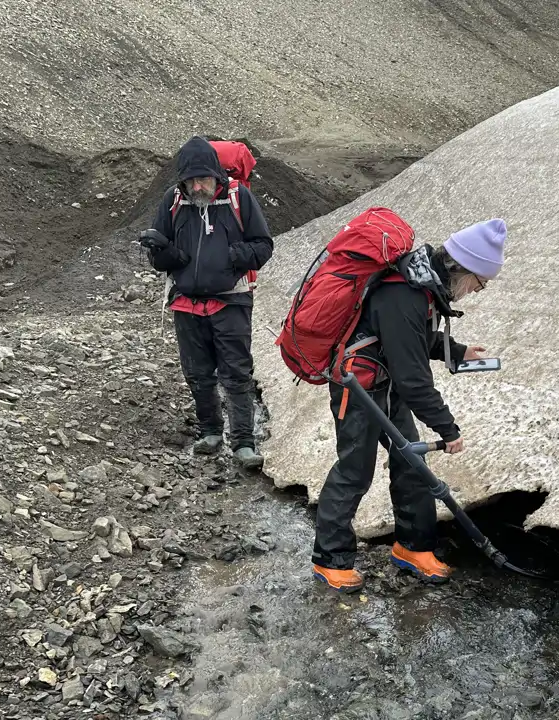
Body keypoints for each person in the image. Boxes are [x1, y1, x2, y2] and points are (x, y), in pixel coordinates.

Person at [310, 219, 507, 593]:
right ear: (461, 267)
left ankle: (413, 548)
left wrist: (457, 350)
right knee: (354, 472)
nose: (475, 291)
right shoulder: (406, 293)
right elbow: (412, 379)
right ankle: (329, 560)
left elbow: (409, 338)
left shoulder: (421, 286)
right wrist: (447, 428)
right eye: (479, 282)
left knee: (411, 465)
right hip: (360, 389)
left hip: (382, 384)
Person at [141, 136, 274, 470]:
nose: (197, 186)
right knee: (198, 373)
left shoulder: (238, 197)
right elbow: (161, 259)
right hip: (186, 303)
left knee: (236, 374)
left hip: (231, 301)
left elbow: (263, 246)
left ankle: (243, 442)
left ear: (216, 174)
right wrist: (164, 252)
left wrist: (230, 258)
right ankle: (211, 432)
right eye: (191, 180)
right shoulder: (173, 201)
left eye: (203, 179)